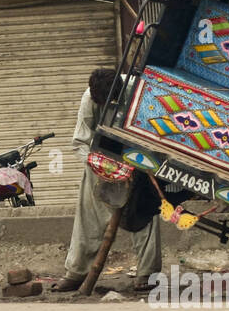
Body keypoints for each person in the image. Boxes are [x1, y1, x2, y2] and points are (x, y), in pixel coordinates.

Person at [54, 67, 162, 293]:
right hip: (100, 160)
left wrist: (137, 164)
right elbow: (80, 142)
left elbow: (154, 130)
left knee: (144, 214)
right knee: (88, 216)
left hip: (137, 160)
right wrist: (98, 165)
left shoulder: (138, 91)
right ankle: (76, 273)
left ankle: (147, 273)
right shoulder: (89, 99)